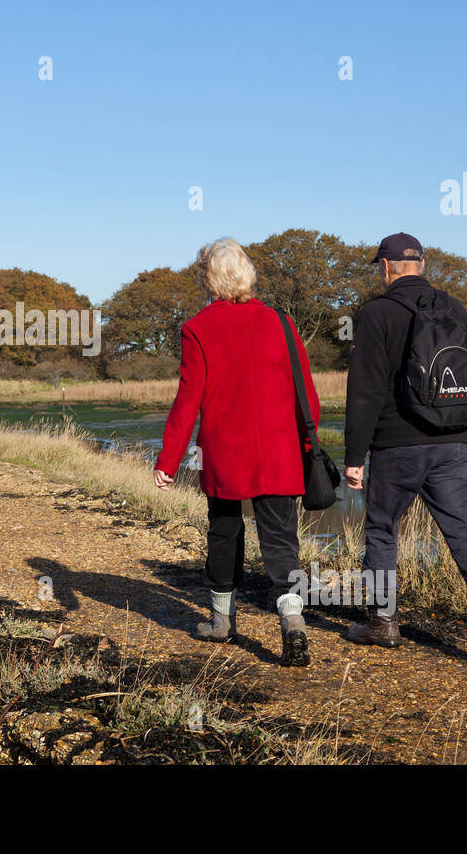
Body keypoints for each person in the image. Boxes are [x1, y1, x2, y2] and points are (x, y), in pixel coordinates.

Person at [343, 232, 467, 658]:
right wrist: (466, 436)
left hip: (396, 447)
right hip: (455, 442)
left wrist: (354, 457)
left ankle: (383, 623)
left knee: (383, 530)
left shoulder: (377, 313)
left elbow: (364, 391)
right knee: (461, 526)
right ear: (421, 264)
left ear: (385, 267)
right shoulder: (454, 307)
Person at [153, 238, 320, 668]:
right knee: (281, 538)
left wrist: (168, 460)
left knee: (224, 531)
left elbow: (187, 400)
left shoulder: (197, 328)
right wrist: (307, 443)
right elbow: (307, 393)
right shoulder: (279, 322)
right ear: (247, 275)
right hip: (279, 449)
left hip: (226, 451)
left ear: (208, 279)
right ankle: (293, 621)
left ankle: (222, 622)